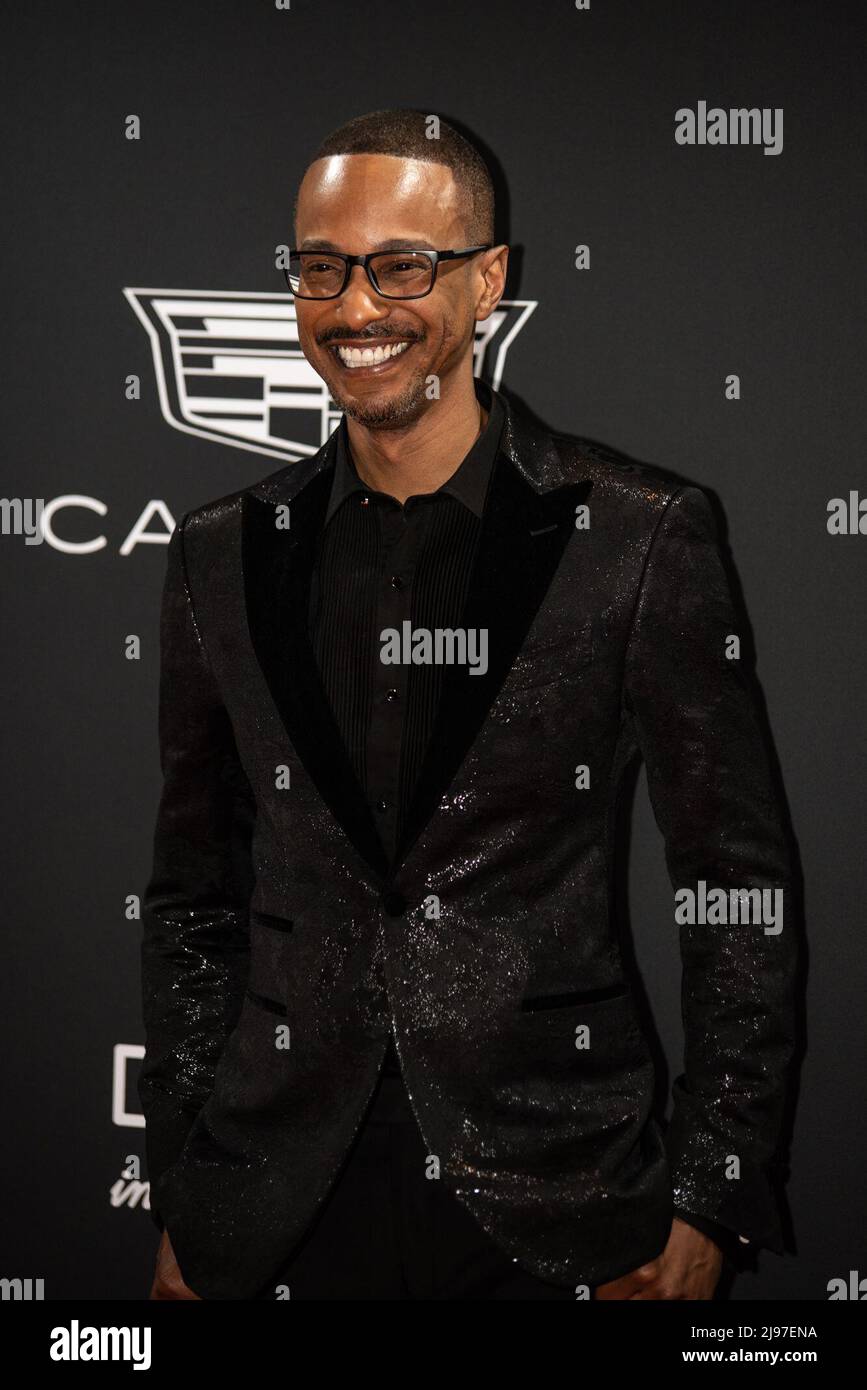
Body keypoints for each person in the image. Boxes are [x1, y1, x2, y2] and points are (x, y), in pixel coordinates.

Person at [141, 108, 797, 1300]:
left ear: (489, 280)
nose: (355, 309)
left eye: (403, 265)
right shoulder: (218, 555)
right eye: (321, 266)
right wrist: (188, 1180)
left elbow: (737, 888)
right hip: (271, 1201)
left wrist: (711, 1189)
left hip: (561, 1196)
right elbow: (194, 888)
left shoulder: (640, 538)